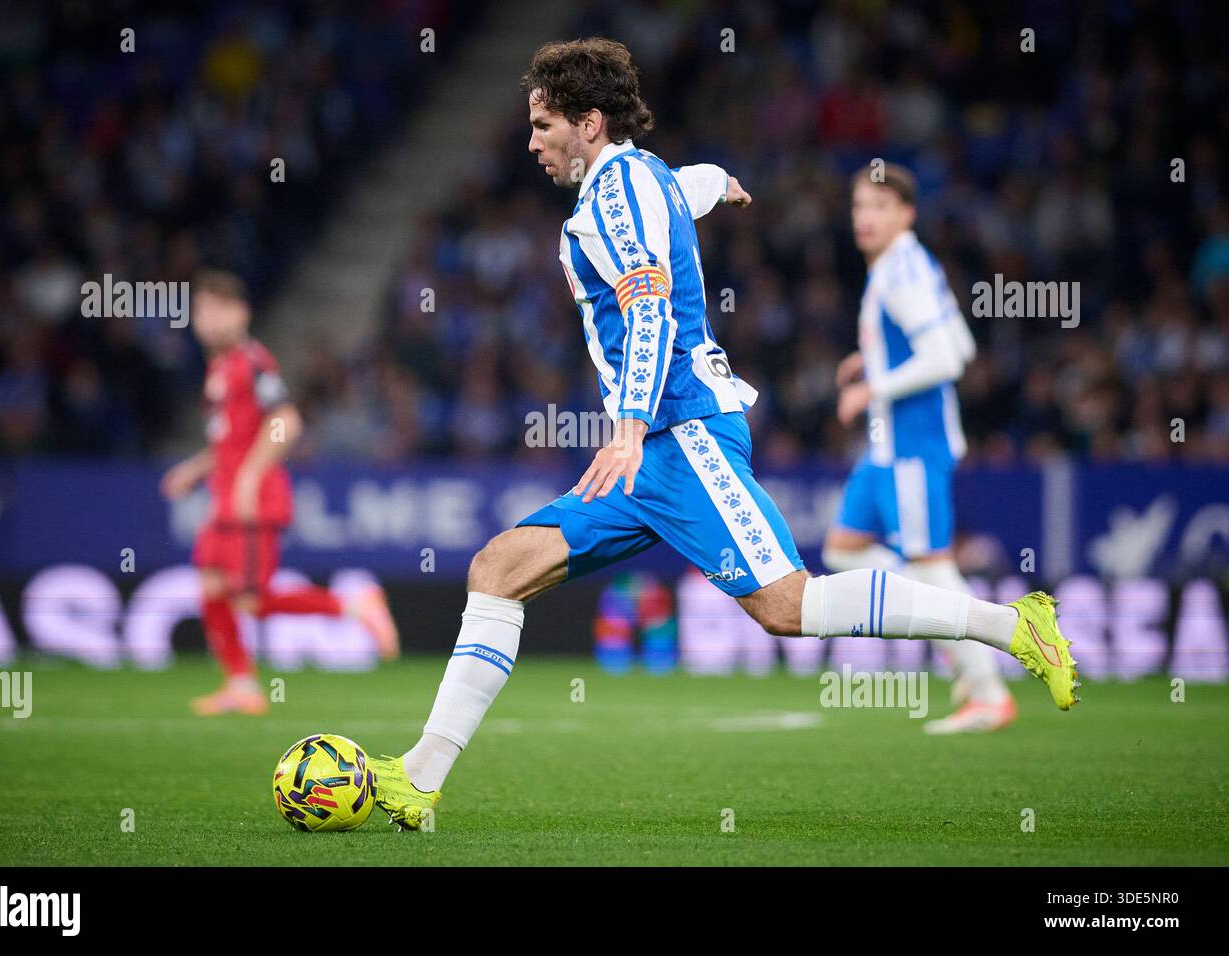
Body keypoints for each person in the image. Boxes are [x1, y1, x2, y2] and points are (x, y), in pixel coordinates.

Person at [366, 39, 1077, 829]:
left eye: (543, 124)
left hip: (681, 433)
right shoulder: (638, 178)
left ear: (589, 122)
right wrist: (719, 185)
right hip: (651, 454)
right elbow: (682, 186)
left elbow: (649, 308)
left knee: (787, 604)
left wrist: (630, 421)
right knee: (498, 569)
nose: (530, 141)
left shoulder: (614, 193)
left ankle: (1014, 627)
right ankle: (420, 778)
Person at [827, 162, 1017, 734]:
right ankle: (955, 645)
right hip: (889, 447)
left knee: (931, 568)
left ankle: (986, 688)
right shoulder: (906, 263)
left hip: (912, 444)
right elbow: (958, 337)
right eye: (860, 205)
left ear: (906, 214)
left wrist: (872, 387)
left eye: (880, 206)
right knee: (843, 550)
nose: (866, 217)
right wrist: (876, 360)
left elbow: (947, 358)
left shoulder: (901, 268)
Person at [161, 270, 399, 715]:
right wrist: (196, 468)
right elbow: (233, 439)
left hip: (253, 500)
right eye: (202, 310)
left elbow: (287, 422)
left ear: (242, 312)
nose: (209, 319)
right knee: (212, 586)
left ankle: (354, 605)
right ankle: (241, 684)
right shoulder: (221, 367)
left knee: (251, 599)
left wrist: (250, 476)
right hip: (224, 499)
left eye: (218, 308)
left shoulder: (253, 363)